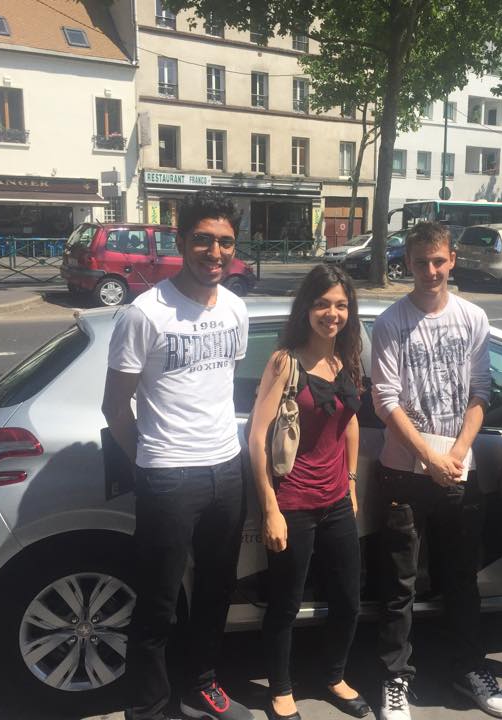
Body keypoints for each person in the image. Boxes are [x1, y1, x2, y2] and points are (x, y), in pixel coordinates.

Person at [102, 191, 254, 720]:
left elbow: (221, 384)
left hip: (227, 470)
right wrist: (150, 458)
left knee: (216, 591)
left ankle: (202, 686)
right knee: (159, 602)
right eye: (204, 240)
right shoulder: (144, 313)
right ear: (181, 241)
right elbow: (114, 407)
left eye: (225, 242)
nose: (215, 252)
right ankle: (146, 707)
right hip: (168, 475)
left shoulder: (236, 307)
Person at [371, 221, 502, 720]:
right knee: (399, 584)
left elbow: (481, 392)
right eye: (419, 262)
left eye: (439, 261)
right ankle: (394, 679)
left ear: (452, 259)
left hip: (458, 470)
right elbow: (385, 398)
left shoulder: (472, 317)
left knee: (460, 579)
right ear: (406, 263)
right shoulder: (390, 322)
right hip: (404, 473)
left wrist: (454, 455)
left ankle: (468, 668)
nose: (430, 271)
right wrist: (428, 457)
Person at [248, 264, 370, 720]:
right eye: (322, 304)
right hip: (293, 503)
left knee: (348, 600)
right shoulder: (285, 361)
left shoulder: (345, 358)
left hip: (337, 500)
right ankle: (280, 688)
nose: (332, 314)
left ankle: (333, 675)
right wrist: (270, 508)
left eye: (340, 305)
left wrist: (352, 481)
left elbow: (350, 420)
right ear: (307, 308)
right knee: (285, 604)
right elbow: (257, 438)